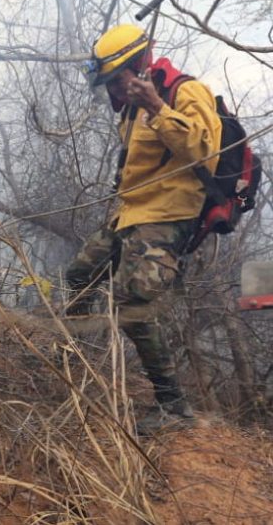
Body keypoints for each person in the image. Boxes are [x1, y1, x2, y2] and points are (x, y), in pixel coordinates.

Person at [65, 23, 222, 434]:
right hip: (131, 213)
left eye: (116, 82)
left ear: (138, 66)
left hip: (169, 216)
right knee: (80, 274)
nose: (114, 94)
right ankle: (74, 354)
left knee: (131, 307)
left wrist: (157, 107)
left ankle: (175, 409)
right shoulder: (132, 109)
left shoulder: (186, 93)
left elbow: (206, 153)